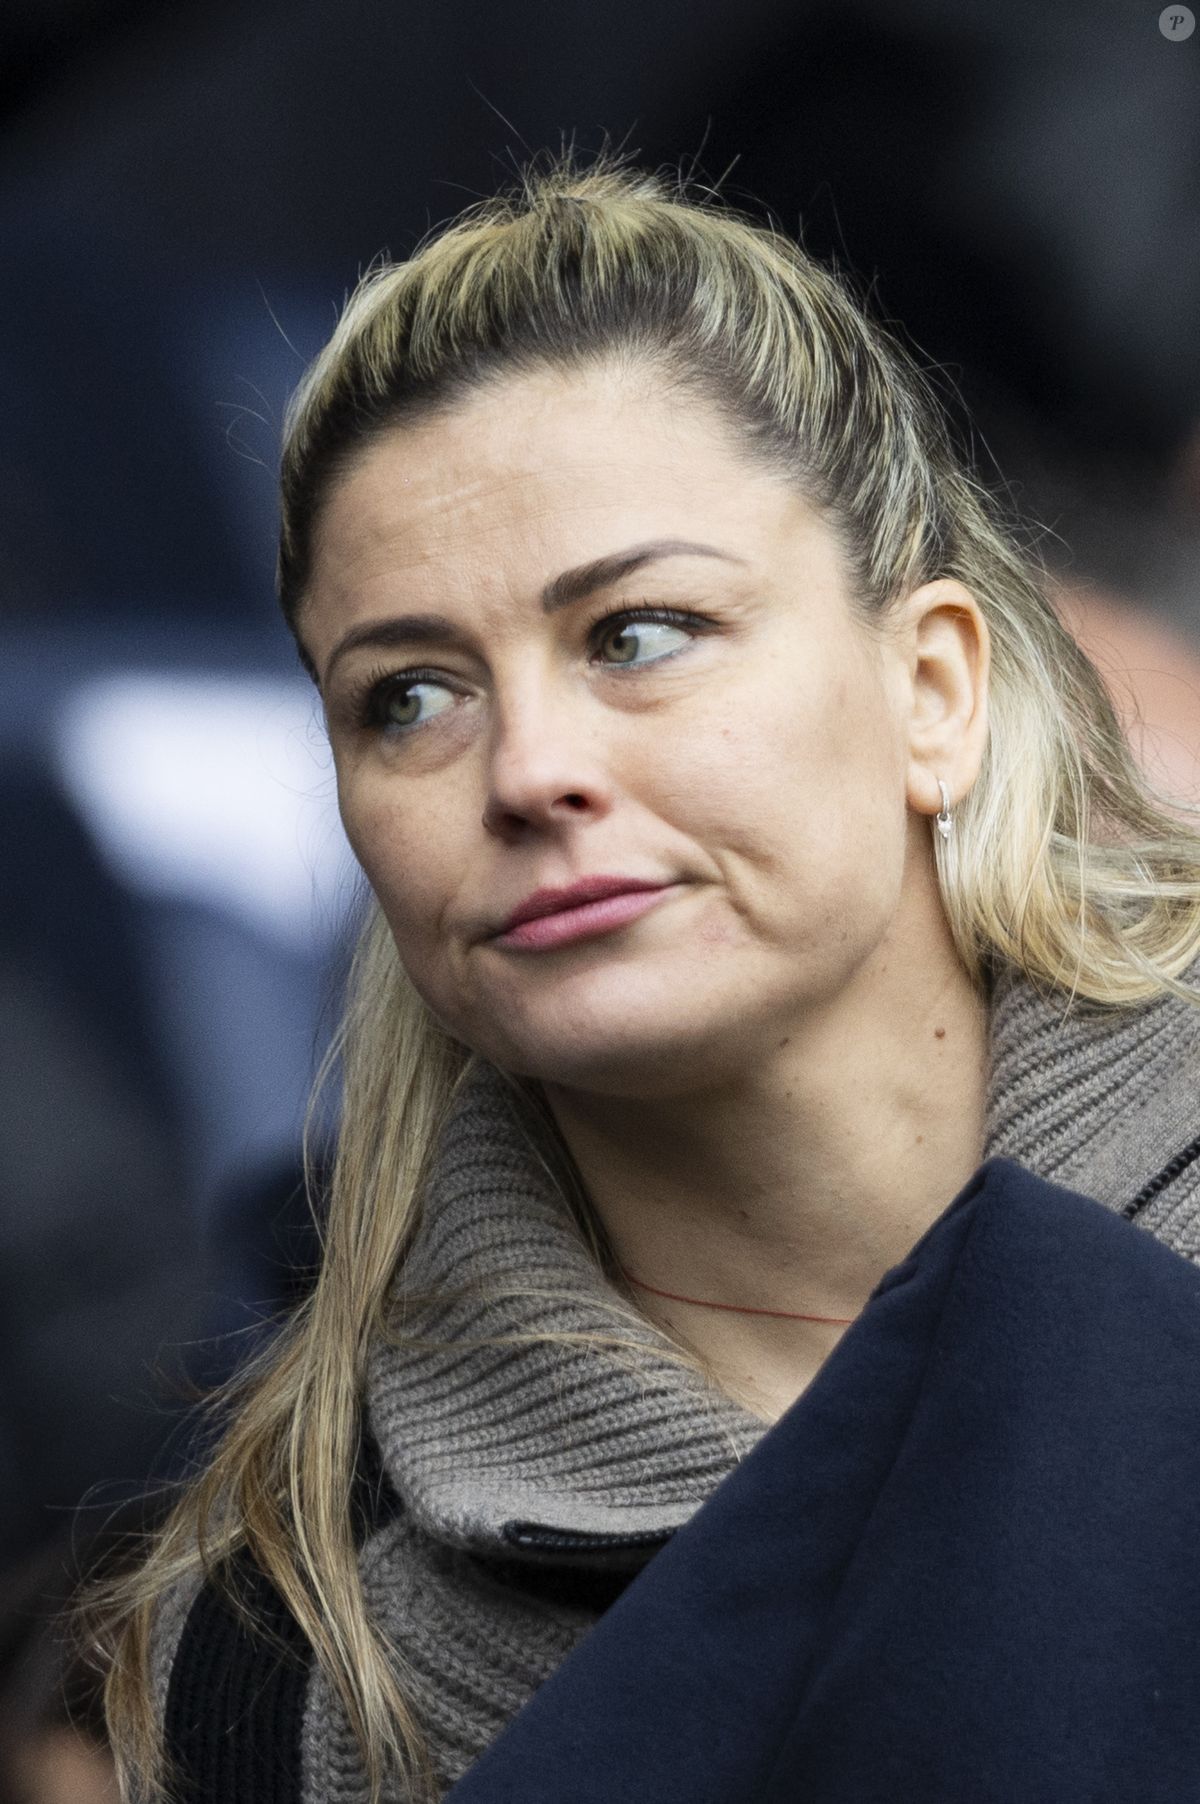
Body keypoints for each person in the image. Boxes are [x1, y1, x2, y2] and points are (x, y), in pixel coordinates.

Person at [80, 150, 1200, 1803]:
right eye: (407, 697)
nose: (527, 769)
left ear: (937, 689)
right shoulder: (288, 1654)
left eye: (640, 636)